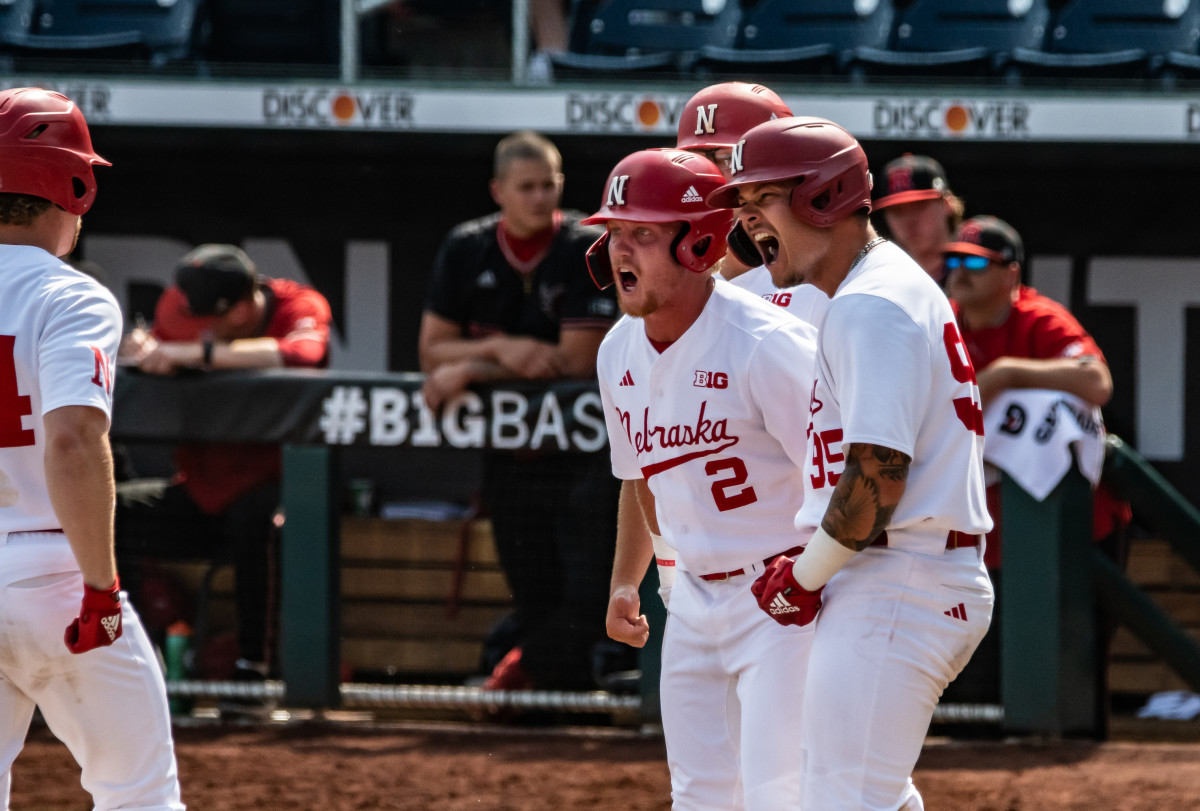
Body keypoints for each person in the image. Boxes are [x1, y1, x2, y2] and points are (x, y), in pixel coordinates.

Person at [708, 116, 994, 808]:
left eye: (761, 202)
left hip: (902, 576)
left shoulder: (873, 304)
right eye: (741, 207)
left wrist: (800, 578)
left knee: (841, 798)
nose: (746, 226)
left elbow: (875, 481)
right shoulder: (870, 288)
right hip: (898, 575)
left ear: (824, 197)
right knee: (869, 793)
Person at [594, 147, 819, 809]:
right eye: (614, 233)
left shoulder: (766, 342)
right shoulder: (617, 352)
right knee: (699, 795)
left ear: (698, 242)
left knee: (782, 794)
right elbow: (640, 477)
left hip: (782, 595)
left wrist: (828, 583)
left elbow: (844, 475)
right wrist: (624, 581)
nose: (619, 251)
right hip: (689, 597)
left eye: (642, 234)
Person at [0, 86, 183, 809]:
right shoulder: (71, 295)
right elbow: (73, 440)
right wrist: (100, 585)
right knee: (139, 794)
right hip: (52, 566)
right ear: (73, 186)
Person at [418, 130, 624, 692]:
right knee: (531, 595)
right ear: (498, 191)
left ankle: (527, 681)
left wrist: (472, 367)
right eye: (526, 187)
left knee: (586, 593)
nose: (539, 198)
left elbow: (575, 361)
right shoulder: (467, 246)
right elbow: (432, 350)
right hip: (509, 458)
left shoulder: (586, 242)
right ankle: (546, 703)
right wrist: (499, 351)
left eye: (549, 185)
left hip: (586, 459)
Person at [640, 80, 830, 611]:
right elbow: (648, 463)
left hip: (805, 565)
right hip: (706, 577)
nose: (713, 176)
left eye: (728, 157)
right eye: (698, 158)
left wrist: (819, 569)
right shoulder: (671, 295)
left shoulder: (824, 280)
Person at [117, 243, 332, 702]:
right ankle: (130, 661)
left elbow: (305, 353)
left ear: (238, 311)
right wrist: (142, 350)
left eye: (205, 322)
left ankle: (252, 675)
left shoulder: (297, 303)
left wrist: (196, 354)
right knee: (111, 511)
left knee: (256, 521)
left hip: (271, 497)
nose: (190, 324)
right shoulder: (178, 305)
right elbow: (152, 348)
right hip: (197, 492)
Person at [944, 215, 1129, 719]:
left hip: (1073, 533)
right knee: (975, 688)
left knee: (1072, 683)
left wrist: (1006, 374)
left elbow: (1097, 384)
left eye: (975, 263)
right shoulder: (942, 322)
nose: (958, 273)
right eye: (953, 259)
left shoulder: (1037, 319)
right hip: (979, 534)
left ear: (1011, 275)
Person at [873, 153, 965, 284]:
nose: (909, 220)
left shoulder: (977, 269)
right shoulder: (879, 277)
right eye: (897, 211)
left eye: (919, 206)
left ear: (947, 204)